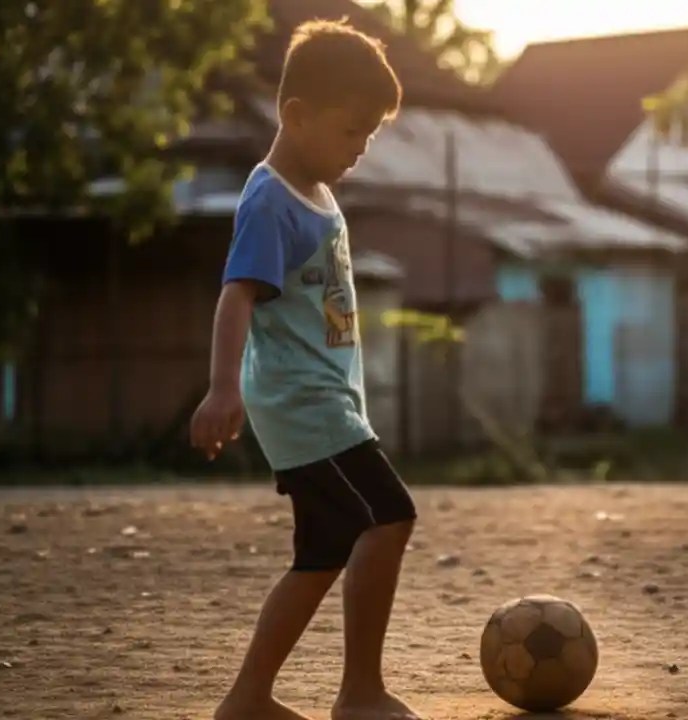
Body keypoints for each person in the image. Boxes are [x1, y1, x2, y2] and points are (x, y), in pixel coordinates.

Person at [189, 18, 421, 720]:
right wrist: (222, 387)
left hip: (326, 401)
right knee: (387, 517)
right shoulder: (269, 200)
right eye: (352, 132)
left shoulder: (317, 191)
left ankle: (249, 700)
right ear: (296, 115)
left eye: (369, 137)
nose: (359, 151)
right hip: (301, 404)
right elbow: (236, 297)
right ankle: (358, 694)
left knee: (325, 550)